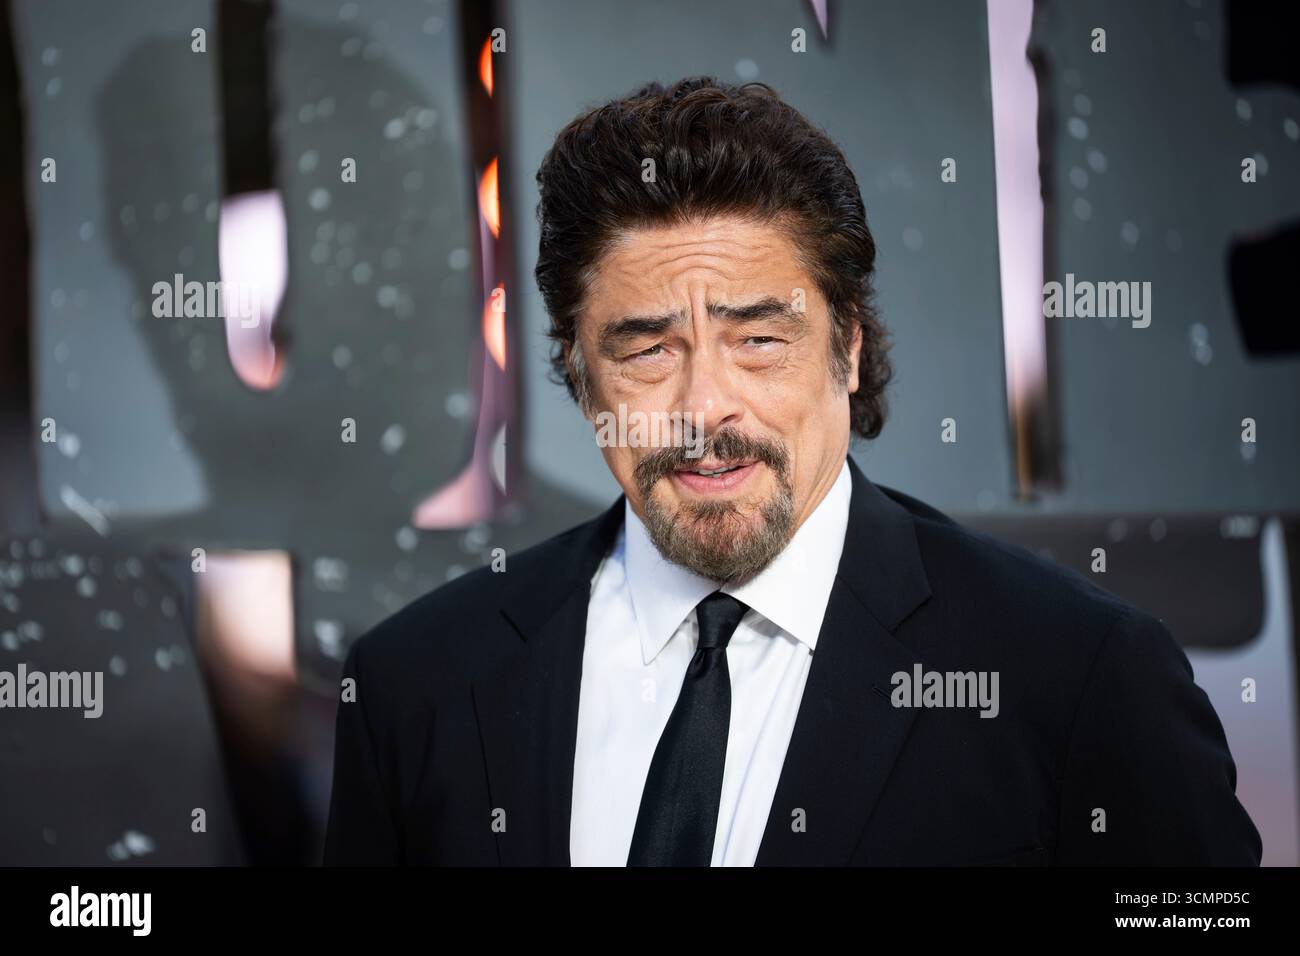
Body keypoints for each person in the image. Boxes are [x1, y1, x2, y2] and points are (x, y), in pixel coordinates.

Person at [323, 76, 1261, 866]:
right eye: (647, 351)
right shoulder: (419, 685)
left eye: (760, 340)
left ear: (848, 349)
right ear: (578, 372)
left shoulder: (1078, 677)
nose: (704, 408)